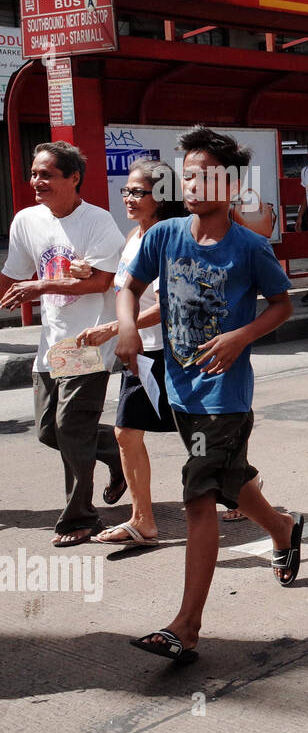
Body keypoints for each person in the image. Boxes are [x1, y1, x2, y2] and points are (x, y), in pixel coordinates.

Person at [116, 126, 303, 663]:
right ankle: (282, 527)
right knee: (230, 480)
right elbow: (128, 287)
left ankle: (186, 626)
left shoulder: (250, 246)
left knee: (200, 494)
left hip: (225, 396)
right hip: (181, 389)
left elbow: (282, 304)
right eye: (189, 174)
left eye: (206, 175)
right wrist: (126, 328)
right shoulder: (165, 235)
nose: (194, 184)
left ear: (231, 184)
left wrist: (241, 336)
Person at [0, 142, 125, 547]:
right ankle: (113, 449)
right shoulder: (26, 220)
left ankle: (80, 517)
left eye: (47, 175)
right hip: (50, 342)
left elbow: (101, 282)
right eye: (35, 174)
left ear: (73, 178)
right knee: (47, 432)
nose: (37, 182)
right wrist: (30, 287)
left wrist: (41, 284)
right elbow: (15, 277)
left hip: (88, 339)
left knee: (71, 427)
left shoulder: (97, 221)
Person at [73, 160, 187, 549]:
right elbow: (128, 293)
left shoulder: (171, 240)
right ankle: (143, 520)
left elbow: (170, 304)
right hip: (139, 352)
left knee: (199, 437)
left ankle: (245, 484)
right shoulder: (133, 238)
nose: (129, 198)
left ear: (163, 198)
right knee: (126, 434)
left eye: (139, 192)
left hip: (170, 354)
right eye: (126, 191)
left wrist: (114, 329)